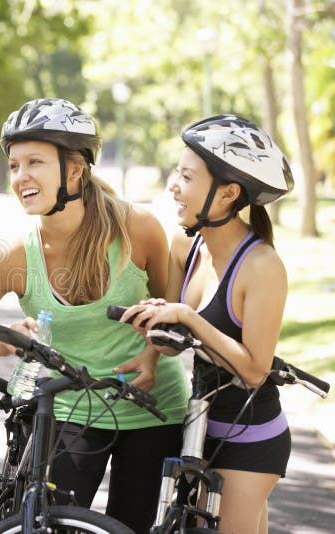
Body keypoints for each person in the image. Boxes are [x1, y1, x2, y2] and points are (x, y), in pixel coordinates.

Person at [0, 98, 189, 533]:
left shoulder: (138, 228)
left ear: (74, 170)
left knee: (134, 527)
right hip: (68, 408)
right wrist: (0, 343)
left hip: (153, 410)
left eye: (34, 162)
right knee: (45, 525)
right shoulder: (11, 256)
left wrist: (154, 352)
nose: (20, 177)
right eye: (14, 165)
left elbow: (173, 316)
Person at [119, 115, 295, 534]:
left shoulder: (262, 266)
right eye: (176, 173)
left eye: (186, 176)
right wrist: (152, 347)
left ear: (228, 193)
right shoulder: (187, 245)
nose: (173, 185)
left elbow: (254, 370)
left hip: (252, 436)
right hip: (200, 427)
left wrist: (189, 318)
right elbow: (177, 337)